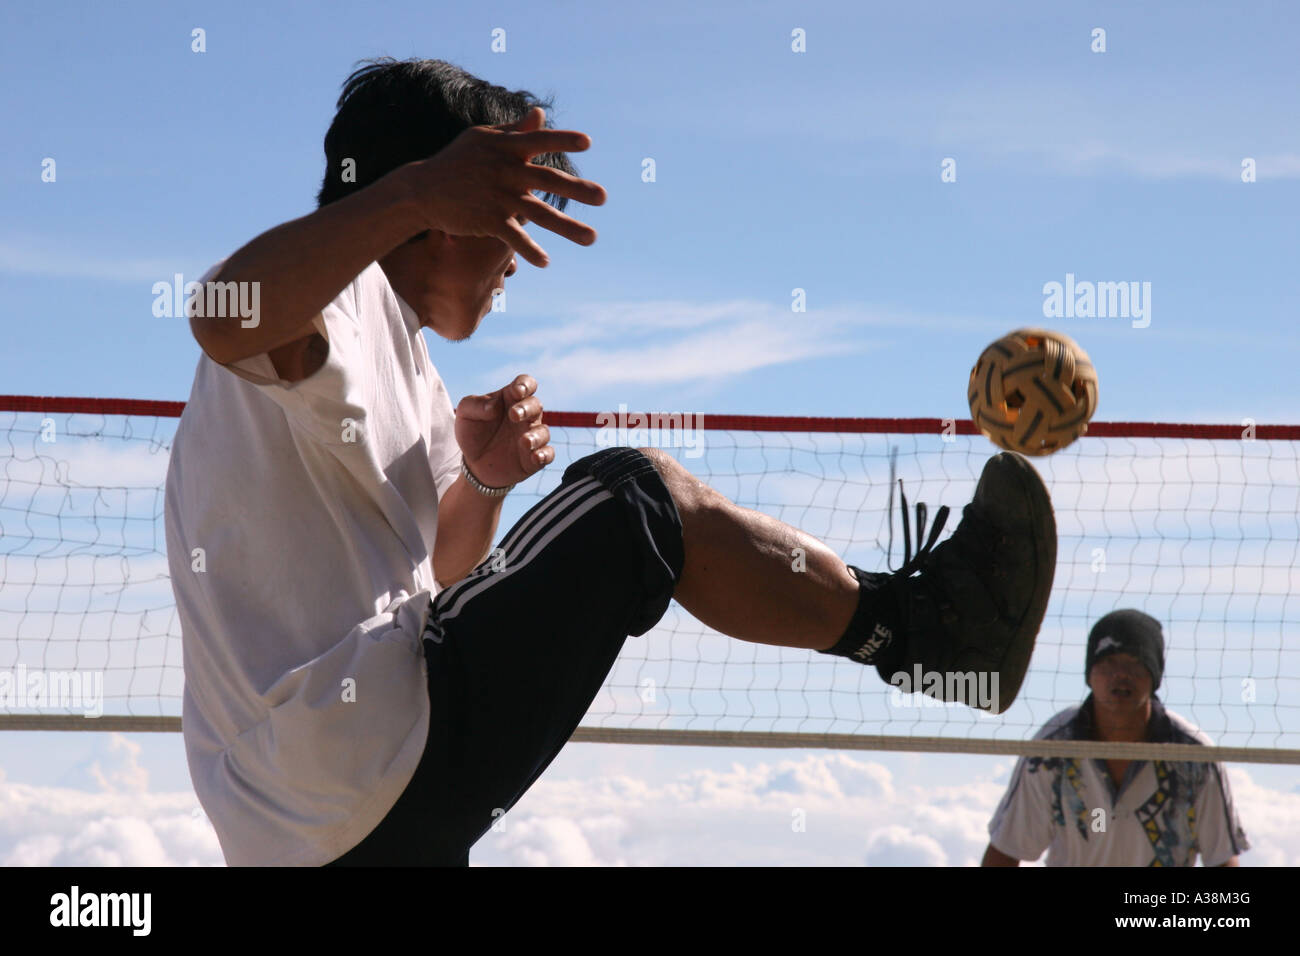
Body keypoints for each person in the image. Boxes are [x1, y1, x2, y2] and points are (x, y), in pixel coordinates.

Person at [165, 57, 1058, 867]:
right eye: (501, 210)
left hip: (333, 806)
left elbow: (446, 573)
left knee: (626, 512)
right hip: (336, 755)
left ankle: (920, 634)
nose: (516, 251)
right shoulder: (343, 296)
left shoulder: (409, 363)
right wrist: (409, 193)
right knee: (636, 499)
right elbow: (221, 315)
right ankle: (932, 631)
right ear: (438, 212)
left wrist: (479, 481)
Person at [981, 609, 1250, 867]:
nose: (1120, 674)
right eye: (1108, 661)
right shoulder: (1050, 750)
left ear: (1154, 675)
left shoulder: (1194, 756)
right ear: (1089, 674)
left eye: (1134, 662)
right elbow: (1006, 850)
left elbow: (1221, 859)